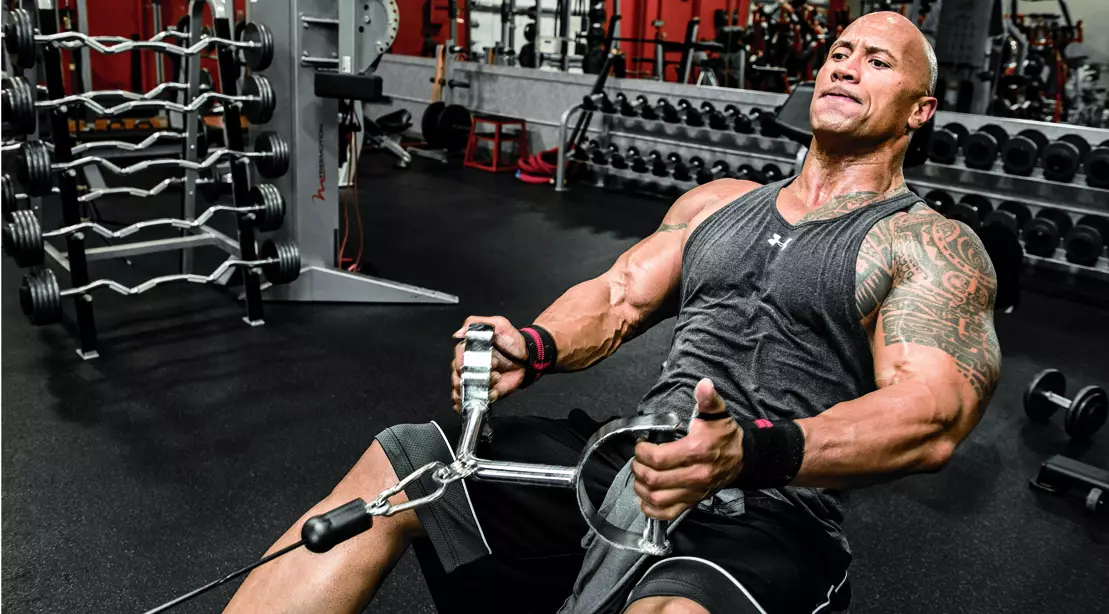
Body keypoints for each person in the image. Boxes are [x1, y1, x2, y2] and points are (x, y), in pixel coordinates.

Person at [224, 12, 1000, 614]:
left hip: (770, 502)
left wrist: (749, 453)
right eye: (838, 53)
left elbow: (933, 413)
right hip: (633, 456)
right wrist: (531, 344)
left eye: (875, 61)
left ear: (918, 109)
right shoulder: (716, 205)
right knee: (402, 464)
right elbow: (618, 296)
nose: (844, 66)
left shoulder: (927, 244)